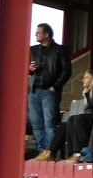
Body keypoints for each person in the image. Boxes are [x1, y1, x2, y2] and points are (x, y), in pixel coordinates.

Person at [28, 22, 72, 162]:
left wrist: (56, 86)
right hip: (34, 89)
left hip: (49, 90)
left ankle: (50, 152)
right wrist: (30, 69)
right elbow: (24, 68)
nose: (36, 35)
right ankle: (43, 151)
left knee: (50, 122)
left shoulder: (60, 50)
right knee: (36, 123)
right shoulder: (32, 50)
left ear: (47, 34)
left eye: (38, 33)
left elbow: (67, 70)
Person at [49, 69, 93, 160]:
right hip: (89, 119)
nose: (83, 80)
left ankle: (78, 153)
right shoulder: (87, 93)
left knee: (77, 119)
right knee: (65, 124)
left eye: (86, 78)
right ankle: (51, 152)